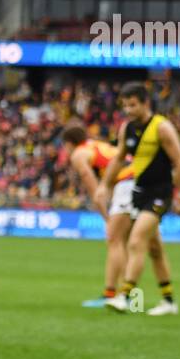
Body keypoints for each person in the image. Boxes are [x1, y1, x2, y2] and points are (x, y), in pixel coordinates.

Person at [99, 84, 180, 316]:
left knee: (136, 240)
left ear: (145, 103)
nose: (128, 110)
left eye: (133, 105)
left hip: (161, 194)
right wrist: (105, 185)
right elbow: (119, 158)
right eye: (125, 106)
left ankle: (125, 296)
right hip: (139, 194)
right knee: (155, 249)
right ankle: (169, 301)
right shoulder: (127, 128)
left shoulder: (162, 127)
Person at [61, 123, 134, 307]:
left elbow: (90, 180)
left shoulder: (78, 154)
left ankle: (112, 294)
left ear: (69, 143)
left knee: (114, 239)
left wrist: (103, 210)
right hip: (138, 177)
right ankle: (127, 295)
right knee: (125, 242)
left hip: (127, 182)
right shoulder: (95, 144)